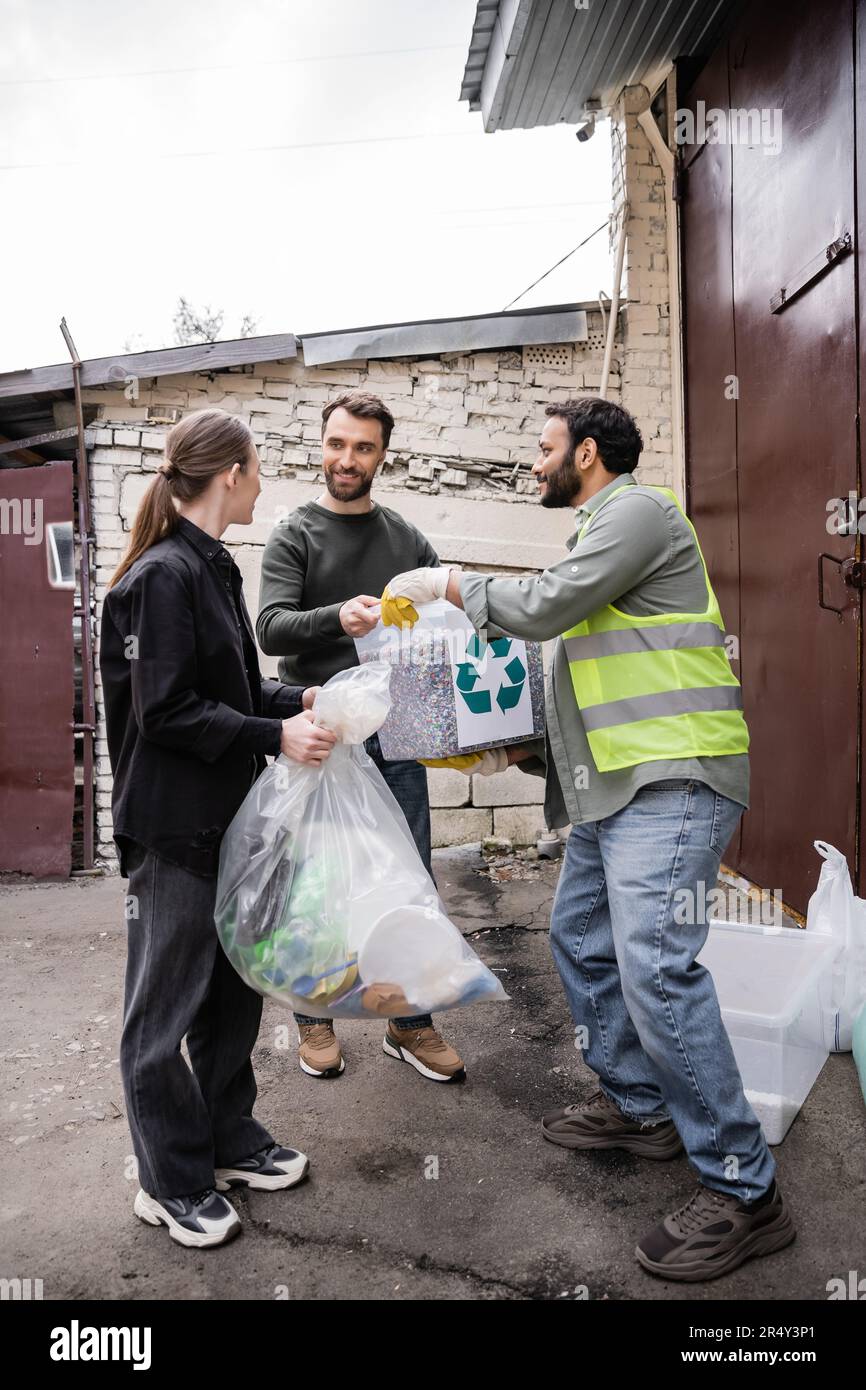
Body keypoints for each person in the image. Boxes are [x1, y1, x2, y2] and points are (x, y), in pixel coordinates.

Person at [383, 396, 796, 1282]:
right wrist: (510, 748)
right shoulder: (597, 540)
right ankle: (643, 1107)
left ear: (590, 452)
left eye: (543, 449)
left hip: (677, 779)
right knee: (579, 937)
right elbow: (583, 678)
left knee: (654, 966)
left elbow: (544, 607)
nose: (533, 464)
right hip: (619, 791)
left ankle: (744, 1190)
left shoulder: (639, 513)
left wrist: (452, 584)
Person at [101, 408, 337, 1248]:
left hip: (229, 825)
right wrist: (274, 734)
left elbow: (232, 689)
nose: (264, 480)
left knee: (233, 995)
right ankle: (167, 1181)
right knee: (161, 1016)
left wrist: (298, 701)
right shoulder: (160, 579)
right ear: (230, 473)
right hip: (173, 832)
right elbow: (167, 713)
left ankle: (228, 1141)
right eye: (259, 466)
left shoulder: (213, 568)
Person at [256, 391, 465, 1083]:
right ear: (322, 444)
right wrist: (334, 619)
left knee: (405, 879)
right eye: (338, 444)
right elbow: (271, 628)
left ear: (382, 454)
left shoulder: (406, 540)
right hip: (318, 732)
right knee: (315, 883)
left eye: (364, 447)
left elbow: (441, 628)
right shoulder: (295, 533)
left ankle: (408, 1021)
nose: (348, 459)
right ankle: (313, 1012)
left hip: (396, 734)